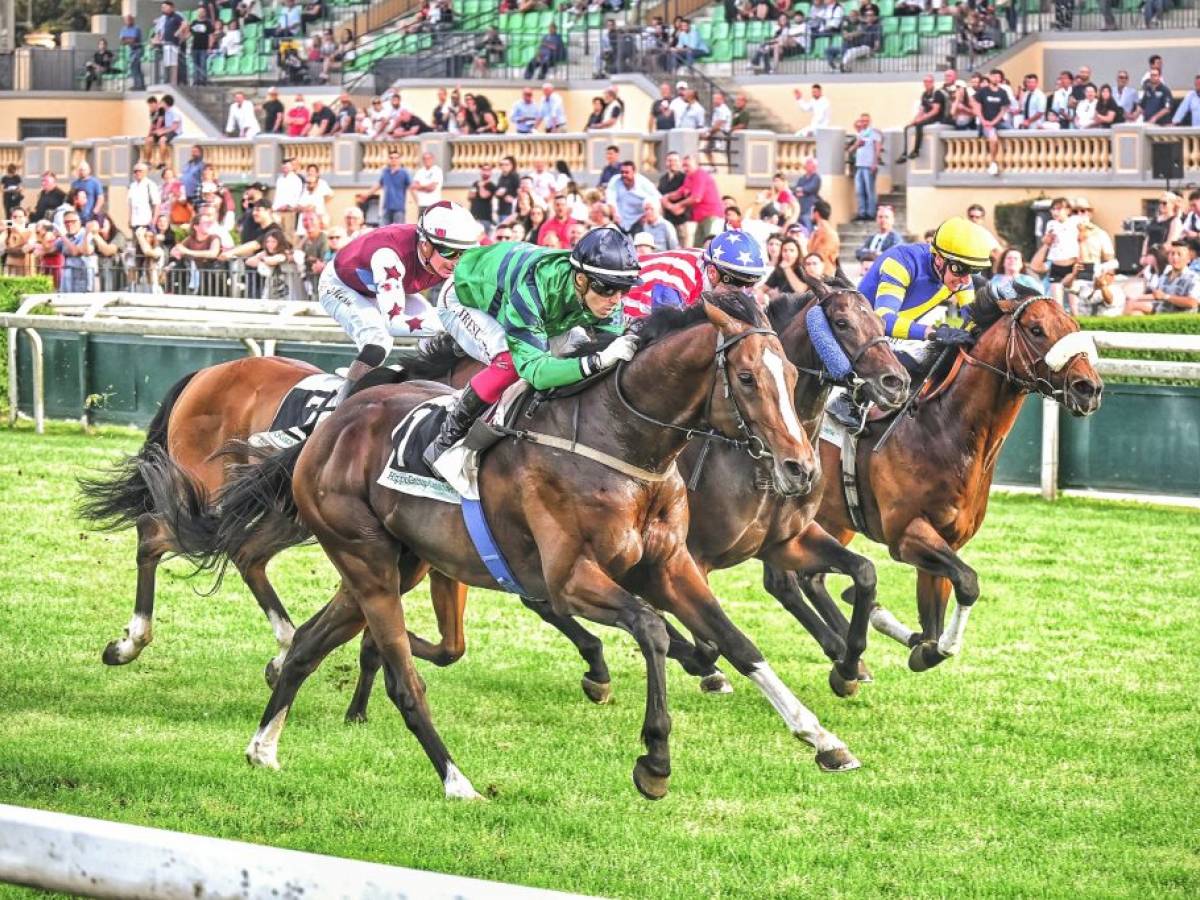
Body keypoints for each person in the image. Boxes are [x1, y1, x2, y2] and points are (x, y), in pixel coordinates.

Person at [424, 227, 641, 469]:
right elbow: (535, 371)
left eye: (624, 289)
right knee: (510, 362)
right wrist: (596, 361)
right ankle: (445, 440)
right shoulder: (535, 288)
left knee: (579, 350)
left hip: (530, 306)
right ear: (581, 280)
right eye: (608, 288)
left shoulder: (606, 298)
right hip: (463, 295)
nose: (616, 300)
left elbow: (609, 351)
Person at [320, 201, 482, 400]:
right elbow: (394, 324)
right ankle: (341, 404)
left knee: (436, 336)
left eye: (464, 253)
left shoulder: (449, 258)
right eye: (448, 252)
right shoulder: (388, 256)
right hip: (341, 285)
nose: (456, 262)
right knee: (378, 340)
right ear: (425, 245)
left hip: (385, 285)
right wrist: (453, 326)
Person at [856, 215, 996, 378]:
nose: (966, 280)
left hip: (893, 339)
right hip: (859, 334)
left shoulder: (960, 277)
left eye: (973, 270)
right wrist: (935, 332)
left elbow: (973, 318)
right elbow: (883, 321)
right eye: (960, 269)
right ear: (939, 259)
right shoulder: (901, 263)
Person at [1124, 240, 1200, 315]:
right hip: (1159, 312)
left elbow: (1193, 302)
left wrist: (1166, 297)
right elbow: (1157, 296)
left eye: (1179, 254)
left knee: (1132, 305)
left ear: (1188, 259)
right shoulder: (1164, 277)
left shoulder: (1193, 278)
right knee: (1134, 311)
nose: (1175, 257)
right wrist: (1136, 297)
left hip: (1177, 317)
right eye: (1172, 254)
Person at [899, 75, 945, 162]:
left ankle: (916, 150)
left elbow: (935, 110)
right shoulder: (924, 94)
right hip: (927, 117)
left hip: (936, 117)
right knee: (907, 128)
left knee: (919, 125)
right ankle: (905, 152)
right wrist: (914, 120)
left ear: (932, 82)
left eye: (928, 82)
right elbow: (922, 110)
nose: (926, 84)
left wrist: (922, 118)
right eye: (925, 82)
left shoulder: (937, 93)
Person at [606, 161, 661, 234]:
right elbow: (610, 199)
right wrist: (614, 214)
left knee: (638, 240)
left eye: (627, 172)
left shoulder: (644, 182)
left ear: (634, 172)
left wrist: (646, 216)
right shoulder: (615, 180)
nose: (624, 175)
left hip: (638, 220)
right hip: (620, 220)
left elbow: (657, 198)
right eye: (622, 172)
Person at [973, 69, 1009, 176]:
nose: (996, 79)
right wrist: (983, 120)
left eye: (998, 77)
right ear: (990, 77)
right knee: (993, 138)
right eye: (994, 76)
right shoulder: (983, 91)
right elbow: (977, 107)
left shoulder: (1003, 92)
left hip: (998, 122)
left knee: (1014, 132)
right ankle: (993, 162)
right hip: (986, 122)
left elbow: (1003, 110)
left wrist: (994, 122)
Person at [851, 113, 882, 221]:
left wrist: (875, 163)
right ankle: (862, 212)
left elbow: (877, 148)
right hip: (859, 165)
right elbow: (855, 147)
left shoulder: (874, 133)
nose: (864, 123)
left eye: (866, 121)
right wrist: (856, 145)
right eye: (862, 121)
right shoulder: (861, 133)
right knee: (859, 191)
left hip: (869, 165)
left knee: (869, 190)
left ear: (869, 121)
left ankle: (871, 213)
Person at [808, 199, 839, 277]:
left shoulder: (828, 233)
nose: (810, 215)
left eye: (811, 212)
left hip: (824, 275)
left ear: (816, 214)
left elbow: (820, 256)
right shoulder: (818, 231)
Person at [120, 15, 145, 91]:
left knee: (135, 65)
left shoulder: (136, 28)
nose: (128, 21)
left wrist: (126, 39)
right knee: (134, 67)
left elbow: (133, 40)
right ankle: (139, 84)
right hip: (131, 50)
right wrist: (128, 40)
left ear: (133, 20)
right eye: (126, 20)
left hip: (138, 49)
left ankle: (139, 85)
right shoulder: (123, 29)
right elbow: (122, 41)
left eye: (129, 20)